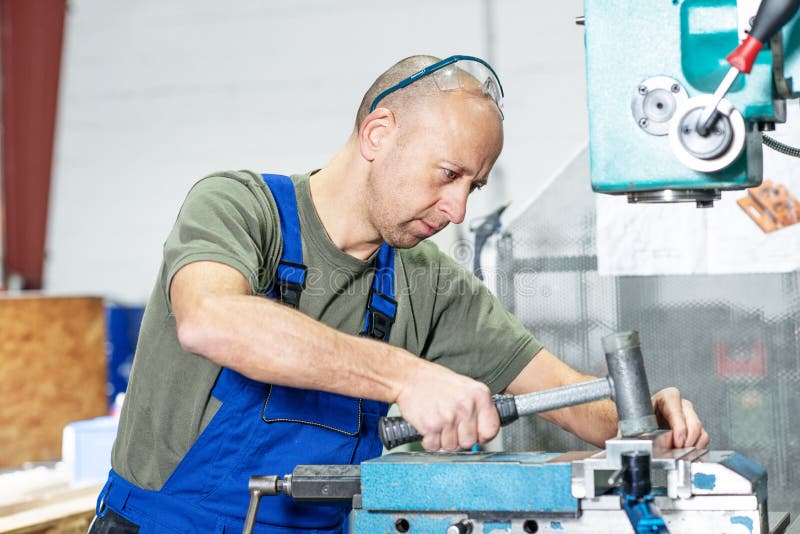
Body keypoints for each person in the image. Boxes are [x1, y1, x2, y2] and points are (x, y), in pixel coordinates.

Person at [90, 54, 708, 534]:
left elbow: (560, 395)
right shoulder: (241, 208)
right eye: (449, 174)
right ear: (378, 133)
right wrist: (407, 378)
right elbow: (211, 320)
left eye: (476, 185)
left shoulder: (428, 281)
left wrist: (641, 420)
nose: (459, 209)